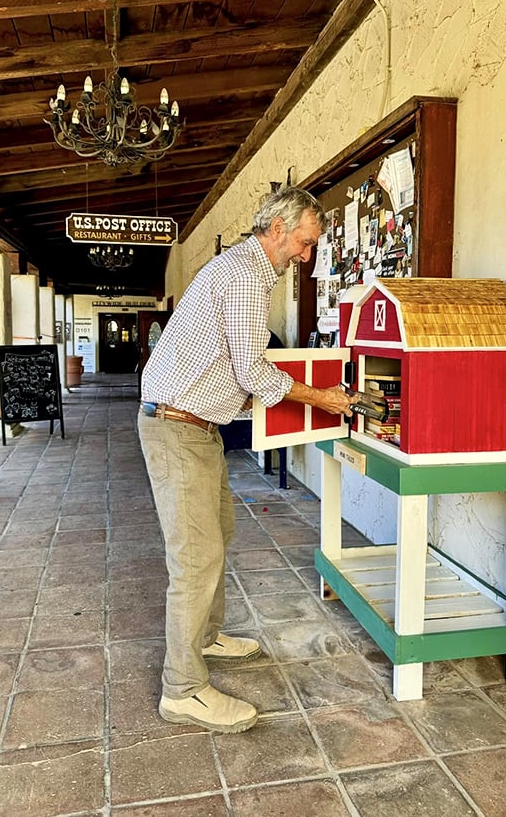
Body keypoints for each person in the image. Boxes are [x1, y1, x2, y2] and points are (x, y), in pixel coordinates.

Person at [138, 186, 357, 734]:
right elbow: (252, 375)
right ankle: (182, 689)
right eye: (305, 244)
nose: (307, 257)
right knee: (195, 558)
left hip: (195, 424)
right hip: (177, 426)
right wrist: (322, 397)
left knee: (218, 535)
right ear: (278, 229)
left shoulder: (249, 274)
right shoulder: (242, 276)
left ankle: (206, 637)